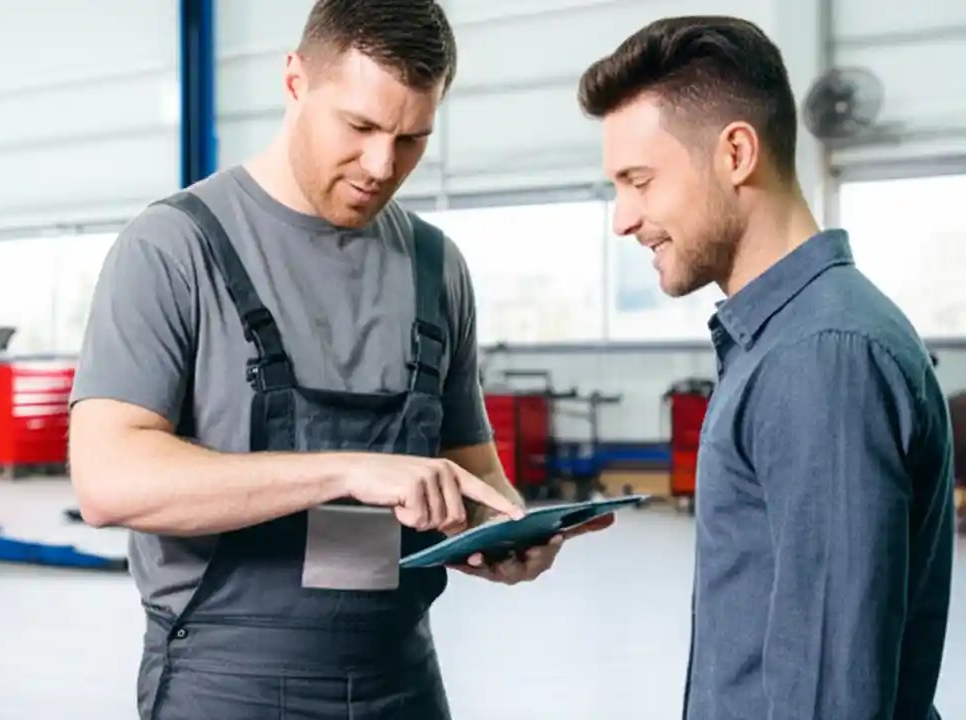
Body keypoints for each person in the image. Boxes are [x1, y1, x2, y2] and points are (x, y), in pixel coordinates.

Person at [68, 1, 613, 717]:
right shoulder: (173, 249)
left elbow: (472, 466)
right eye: (359, 127)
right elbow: (108, 481)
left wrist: (504, 532)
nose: (383, 165)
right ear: (295, 82)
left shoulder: (435, 266)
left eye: (412, 138)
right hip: (228, 679)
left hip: (402, 675)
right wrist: (348, 470)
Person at [578, 15, 955, 720]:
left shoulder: (820, 358)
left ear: (736, 153)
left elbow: (828, 695)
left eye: (639, 181)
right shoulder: (786, 339)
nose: (623, 219)